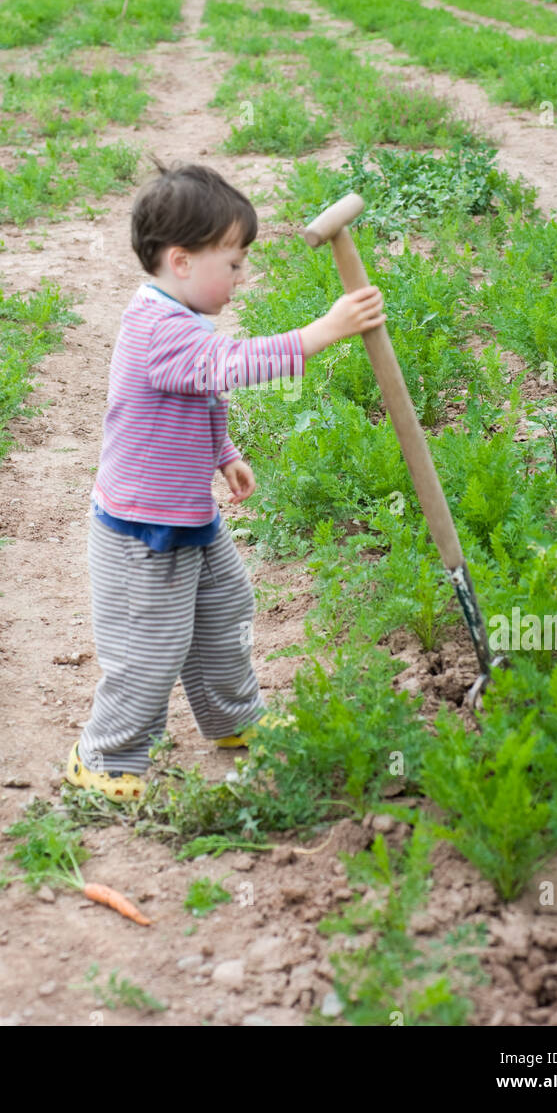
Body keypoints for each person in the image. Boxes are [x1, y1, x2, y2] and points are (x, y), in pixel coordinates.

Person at [65, 158, 386, 802]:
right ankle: (105, 758)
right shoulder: (157, 326)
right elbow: (226, 368)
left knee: (223, 613)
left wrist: (223, 453)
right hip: (143, 530)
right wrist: (322, 332)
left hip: (189, 512)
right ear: (181, 261)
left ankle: (234, 720)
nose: (242, 276)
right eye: (233, 263)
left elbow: (199, 397)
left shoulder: (181, 318)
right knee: (150, 648)